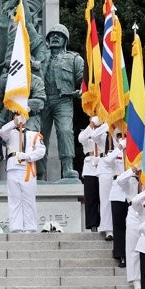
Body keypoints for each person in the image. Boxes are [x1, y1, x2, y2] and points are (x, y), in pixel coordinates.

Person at [36, 25, 84, 179]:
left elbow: (83, 79)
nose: (55, 37)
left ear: (65, 40)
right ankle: (38, 171)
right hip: (43, 100)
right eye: (52, 35)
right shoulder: (40, 58)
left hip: (63, 100)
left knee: (65, 131)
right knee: (39, 135)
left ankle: (68, 167)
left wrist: (83, 90)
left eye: (59, 35)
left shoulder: (74, 58)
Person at [0, 112, 46, 232]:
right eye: (16, 115)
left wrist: (28, 156)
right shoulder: (10, 133)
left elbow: (41, 151)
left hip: (28, 167)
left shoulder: (34, 134)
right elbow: (2, 132)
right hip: (13, 167)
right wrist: (14, 122)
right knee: (14, 198)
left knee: (28, 198)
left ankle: (30, 227)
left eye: (22, 115)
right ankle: (16, 227)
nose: (19, 117)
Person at [78, 114, 107, 231]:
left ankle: (105, 225)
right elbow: (81, 139)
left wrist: (101, 126)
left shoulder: (106, 131)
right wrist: (91, 125)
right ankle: (93, 225)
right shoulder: (86, 131)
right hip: (90, 166)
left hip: (103, 163)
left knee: (103, 197)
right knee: (91, 197)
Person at [107, 128, 129, 265]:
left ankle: (130, 255)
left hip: (132, 191)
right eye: (119, 136)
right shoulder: (115, 152)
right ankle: (120, 254)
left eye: (124, 136)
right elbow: (108, 160)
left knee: (131, 227)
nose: (122, 138)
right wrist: (120, 147)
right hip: (117, 191)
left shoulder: (136, 151)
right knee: (119, 225)